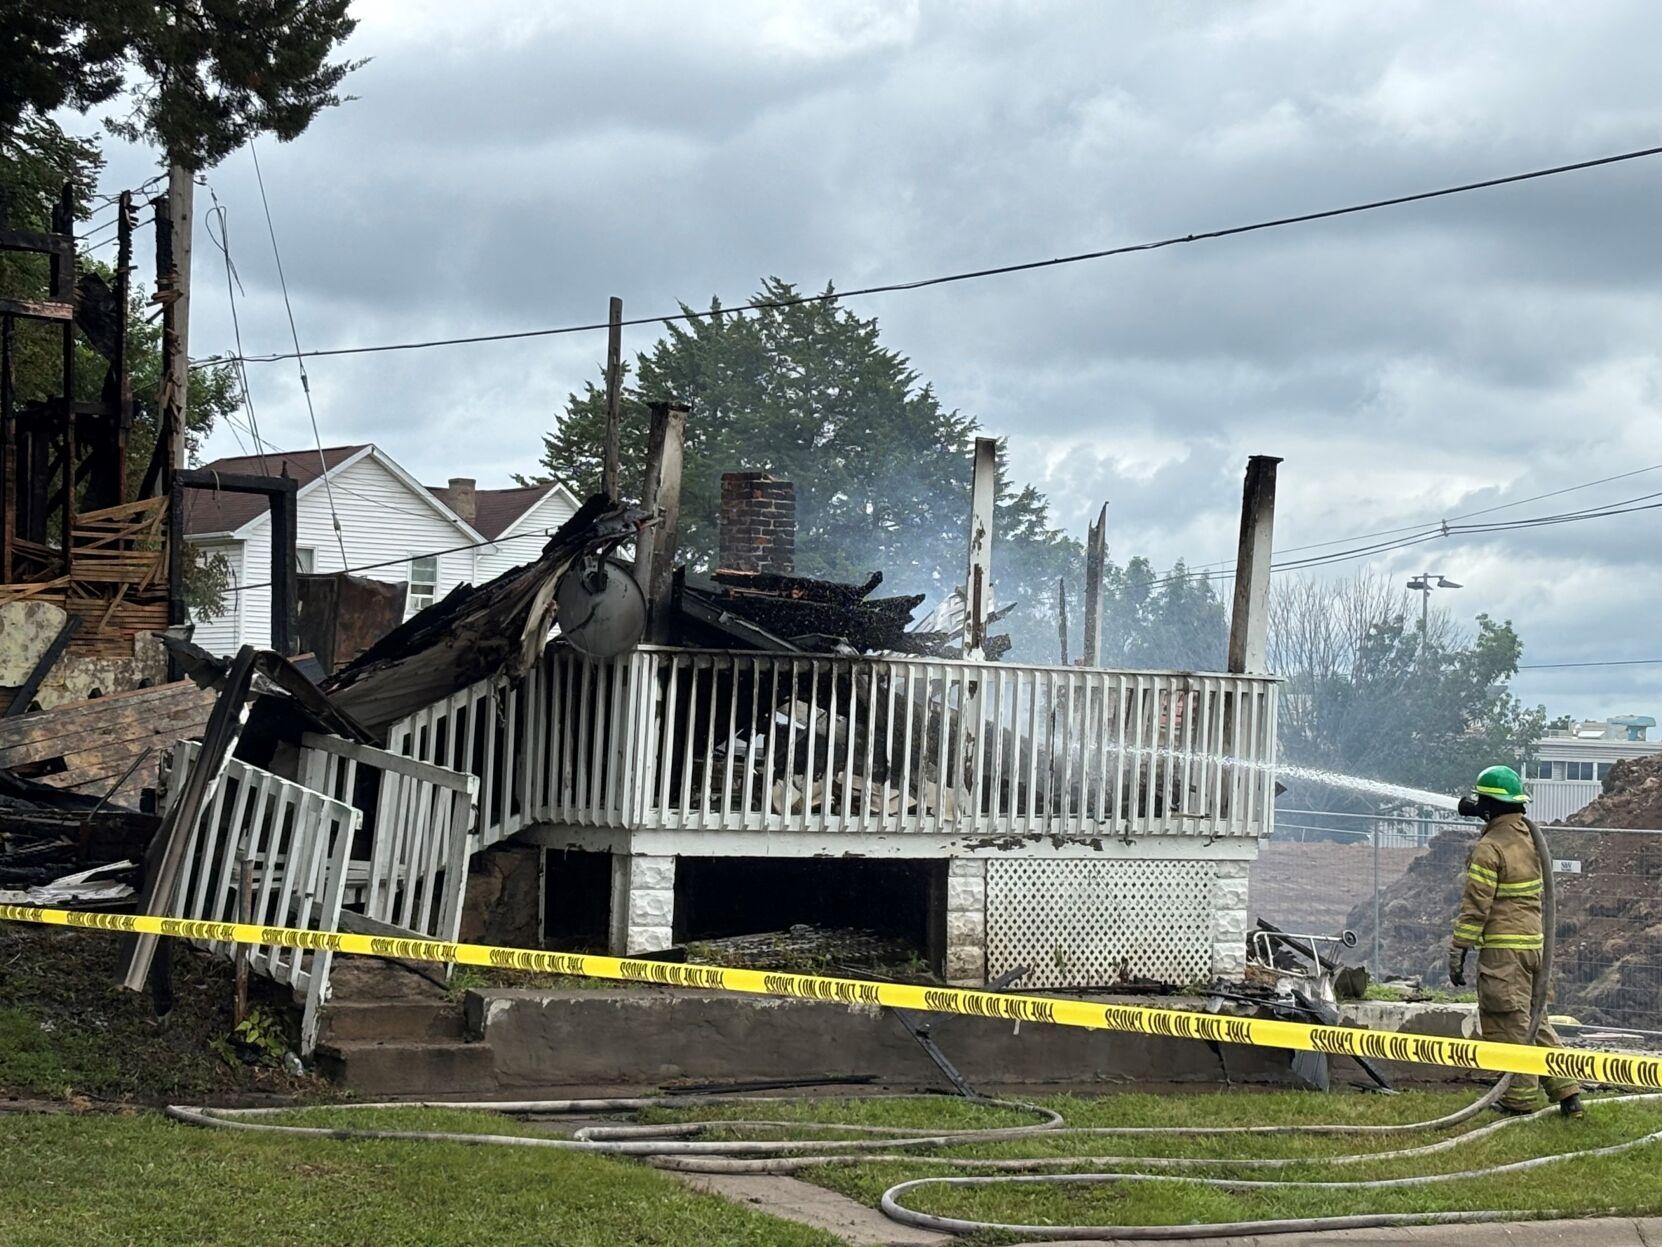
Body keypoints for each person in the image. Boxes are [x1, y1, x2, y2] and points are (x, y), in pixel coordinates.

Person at [1449, 764, 1584, 1117]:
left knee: (1508, 1021)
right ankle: (1567, 1091)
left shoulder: (1490, 847)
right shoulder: (1528, 839)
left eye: (1481, 801)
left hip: (1504, 952)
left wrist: (1458, 948)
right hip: (1533, 947)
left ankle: (1518, 1101)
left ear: (1490, 806)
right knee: (1534, 1020)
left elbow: (1476, 906)